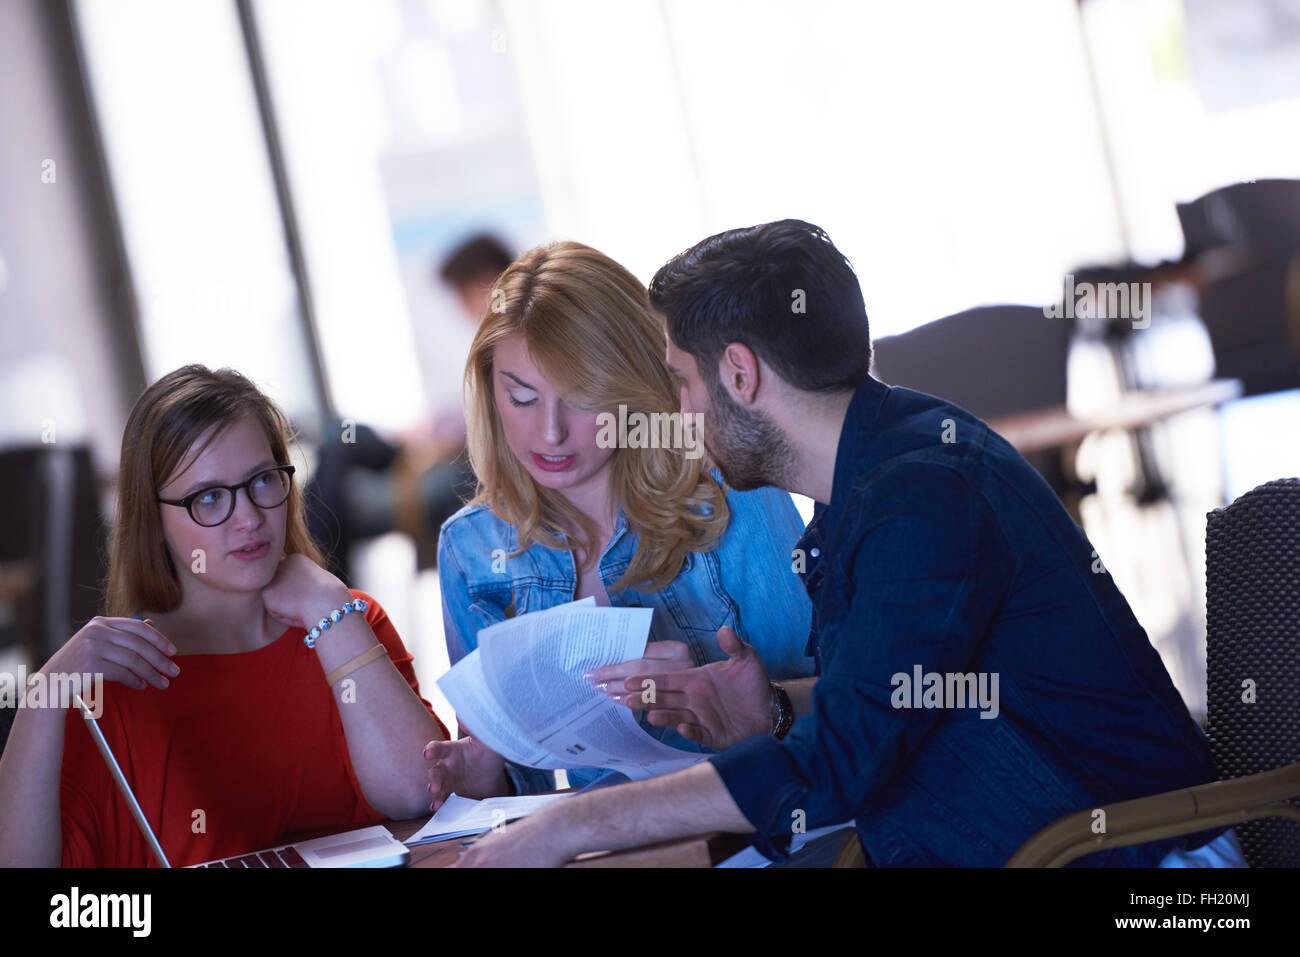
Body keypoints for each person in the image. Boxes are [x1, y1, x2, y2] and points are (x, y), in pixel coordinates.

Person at [455, 219, 1245, 867]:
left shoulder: (923, 500)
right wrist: (764, 701)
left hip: (1141, 869)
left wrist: (566, 828)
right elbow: (875, 701)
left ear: (739, 373)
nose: (672, 413)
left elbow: (832, 765)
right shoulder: (874, 473)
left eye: (680, 383)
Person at [0, 365, 447, 867]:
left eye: (261, 481)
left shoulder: (345, 619)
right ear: (154, 521)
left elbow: (421, 791)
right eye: (209, 497)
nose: (249, 517)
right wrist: (45, 693)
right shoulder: (111, 683)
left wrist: (329, 610)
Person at [424, 240, 817, 803]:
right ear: (489, 392)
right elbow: (518, 785)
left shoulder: (732, 491)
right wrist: (482, 776)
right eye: (522, 398)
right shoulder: (471, 546)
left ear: (634, 385)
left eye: (582, 398)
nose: (551, 433)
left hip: (763, 821)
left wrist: (752, 703)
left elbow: (840, 705)